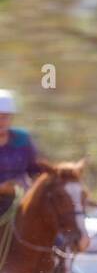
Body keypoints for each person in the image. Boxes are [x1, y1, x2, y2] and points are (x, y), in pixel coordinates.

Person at [0, 89, 43, 218]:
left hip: (22, 200)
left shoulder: (23, 139)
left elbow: (35, 170)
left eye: (5, 117)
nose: (1, 121)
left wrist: (31, 186)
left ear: (11, 117)